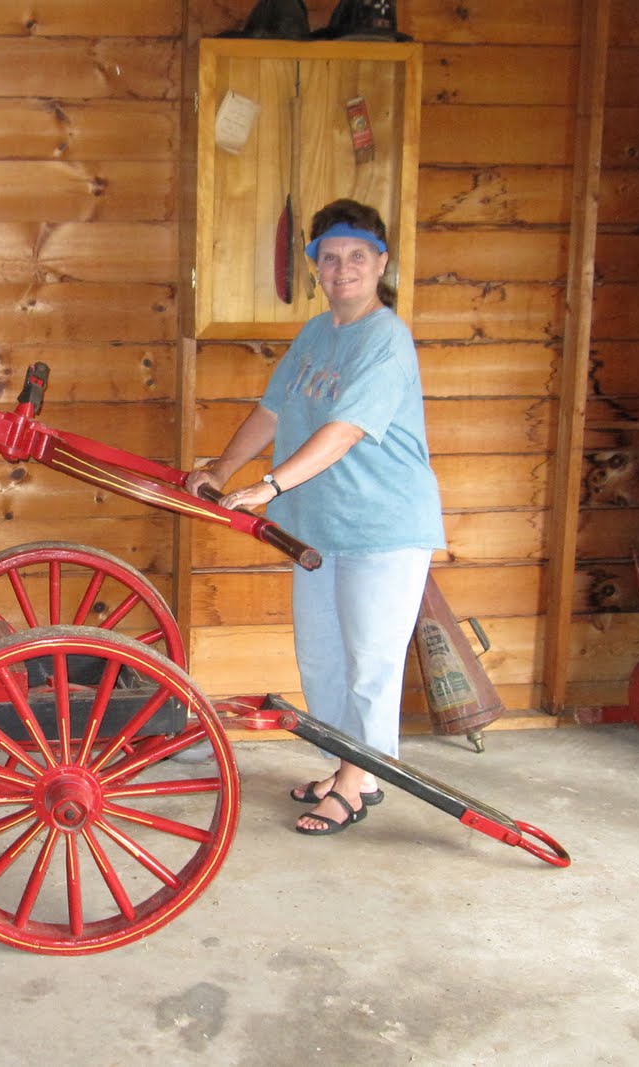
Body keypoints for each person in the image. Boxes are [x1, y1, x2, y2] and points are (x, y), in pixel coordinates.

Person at [186, 198, 444, 836]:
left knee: (370, 663)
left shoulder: (386, 338)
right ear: (315, 269)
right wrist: (221, 471)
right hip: (319, 529)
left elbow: (346, 429)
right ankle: (342, 765)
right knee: (324, 660)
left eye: (357, 256)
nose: (343, 268)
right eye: (329, 258)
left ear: (381, 262)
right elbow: (272, 411)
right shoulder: (315, 334)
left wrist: (269, 485)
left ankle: (359, 783)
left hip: (382, 528)